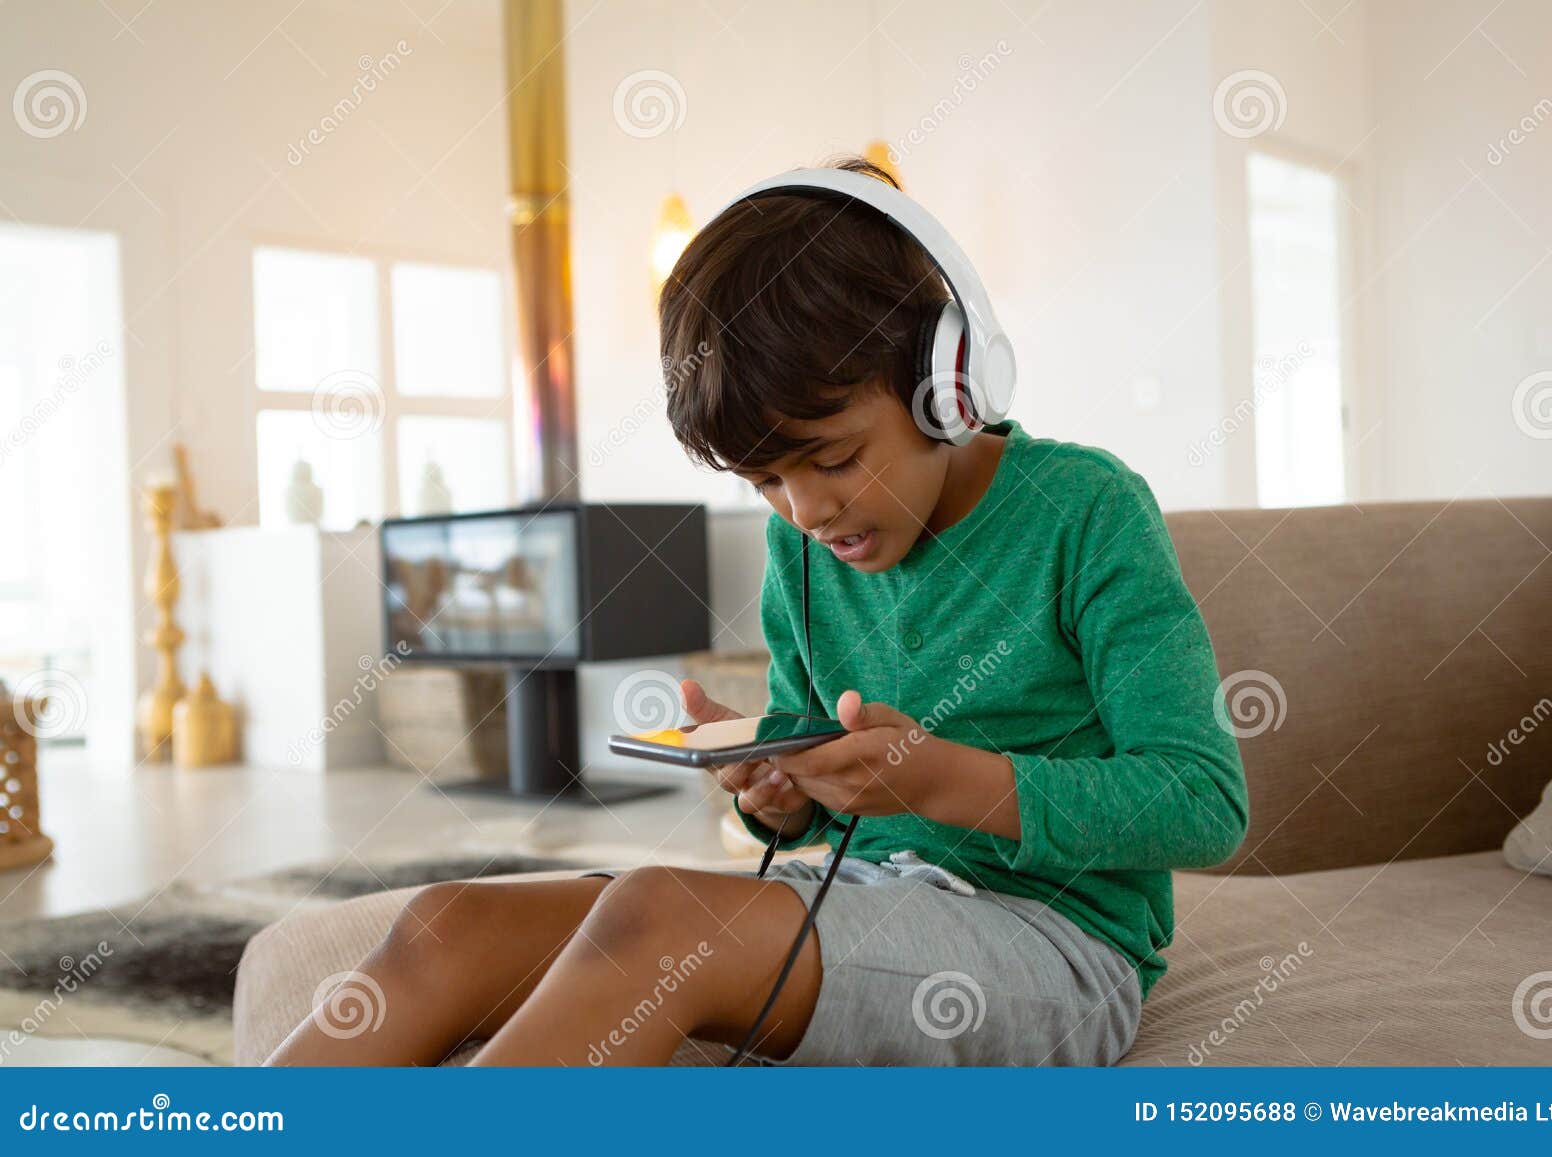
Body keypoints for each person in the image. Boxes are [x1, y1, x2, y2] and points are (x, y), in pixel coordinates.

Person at [264, 156, 1247, 1068]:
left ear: (947, 382)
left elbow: (1205, 804)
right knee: (449, 925)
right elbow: (815, 796)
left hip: (1057, 948)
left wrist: (941, 779)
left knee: (659, 913)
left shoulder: (1085, 509)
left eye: (830, 459)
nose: (806, 511)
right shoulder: (802, 547)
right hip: (862, 897)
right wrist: (776, 788)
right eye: (765, 480)